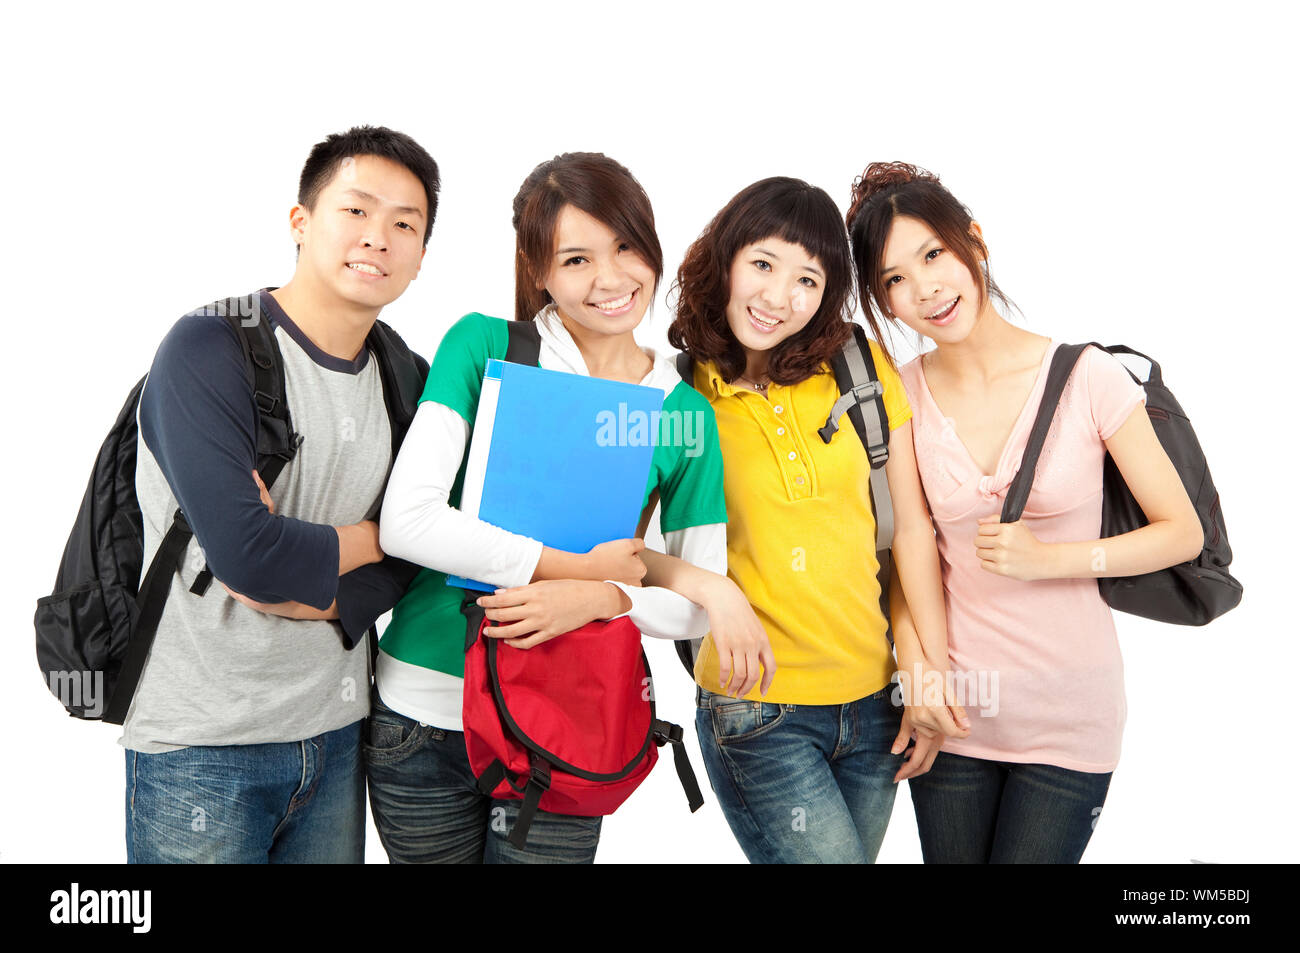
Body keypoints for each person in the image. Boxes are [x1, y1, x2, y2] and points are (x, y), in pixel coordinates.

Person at [367, 152, 738, 864]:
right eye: (576, 259)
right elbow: (406, 520)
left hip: (563, 720)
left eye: (626, 246)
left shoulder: (682, 411)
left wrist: (599, 597)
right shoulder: (485, 347)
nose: (610, 278)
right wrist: (563, 569)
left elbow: (694, 605)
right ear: (539, 270)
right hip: (424, 711)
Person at [846, 161, 1204, 863]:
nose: (925, 289)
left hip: (1070, 718)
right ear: (884, 303)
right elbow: (905, 542)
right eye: (894, 280)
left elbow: (1181, 531)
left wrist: (1053, 559)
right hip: (950, 715)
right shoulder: (900, 396)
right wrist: (917, 665)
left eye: (933, 255)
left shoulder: (1088, 376)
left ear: (973, 243)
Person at [123, 125, 439, 863]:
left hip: (337, 739)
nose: (378, 238)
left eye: (404, 224)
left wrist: (330, 586)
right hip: (201, 747)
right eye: (355, 211)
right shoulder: (210, 346)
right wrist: (377, 534)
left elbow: (428, 544)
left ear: (422, 257)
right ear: (300, 223)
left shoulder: (407, 376)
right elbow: (254, 557)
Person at [666, 176, 967, 864]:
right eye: (764, 265)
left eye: (808, 279)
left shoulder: (855, 367)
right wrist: (711, 589)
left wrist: (930, 673)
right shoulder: (678, 396)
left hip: (874, 706)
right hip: (757, 711)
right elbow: (620, 548)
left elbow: (910, 527)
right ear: (725, 259)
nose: (779, 297)